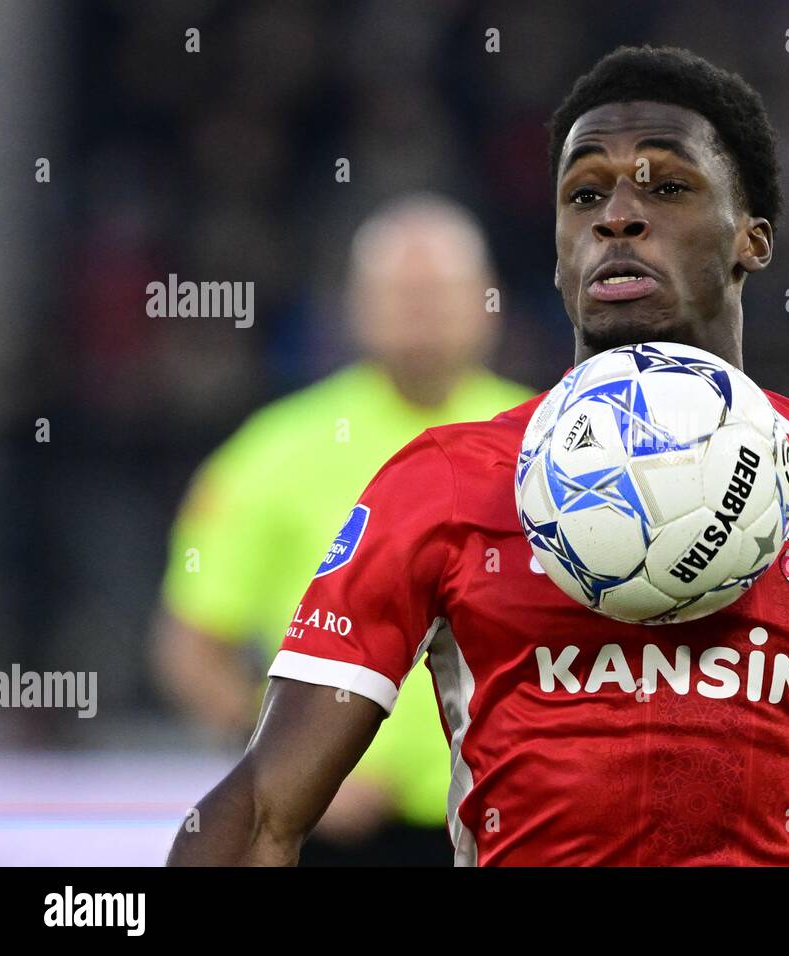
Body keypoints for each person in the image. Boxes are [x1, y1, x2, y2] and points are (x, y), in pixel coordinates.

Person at [168, 46, 789, 867]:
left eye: (667, 188)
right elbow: (260, 815)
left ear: (753, 236)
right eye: (584, 195)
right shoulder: (444, 481)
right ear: (558, 254)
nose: (618, 218)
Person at [154, 194, 532, 865]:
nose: (420, 311)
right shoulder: (273, 452)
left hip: (518, 825)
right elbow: (191, 648)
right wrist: (291, 765)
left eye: (438, 292)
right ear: (354, 306)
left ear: (488, 301)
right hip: (338, 832)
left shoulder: (553, 444)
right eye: (400, 293)